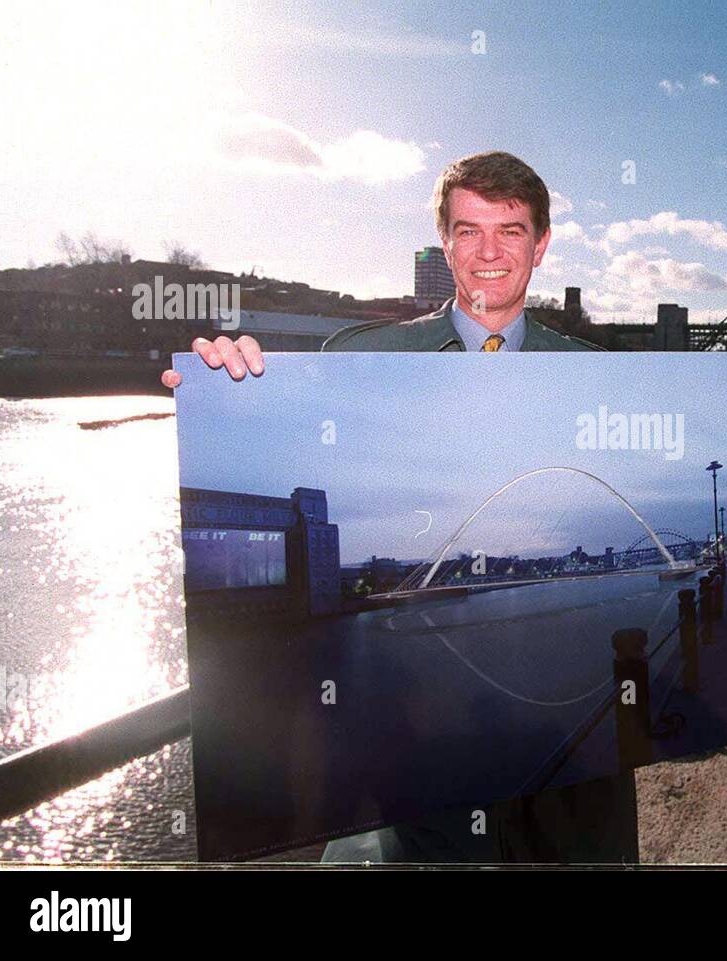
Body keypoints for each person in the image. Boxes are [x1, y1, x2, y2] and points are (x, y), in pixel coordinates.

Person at [163, 151, 639, 864]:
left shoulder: (603, 376)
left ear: (541, 245)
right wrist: (224, 383)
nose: (488, 252)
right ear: (444, 243)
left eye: (510, 230)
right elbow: (272, 438)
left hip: (577, 789)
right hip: (425, 792)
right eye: (468, 230)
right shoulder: (362, 354)